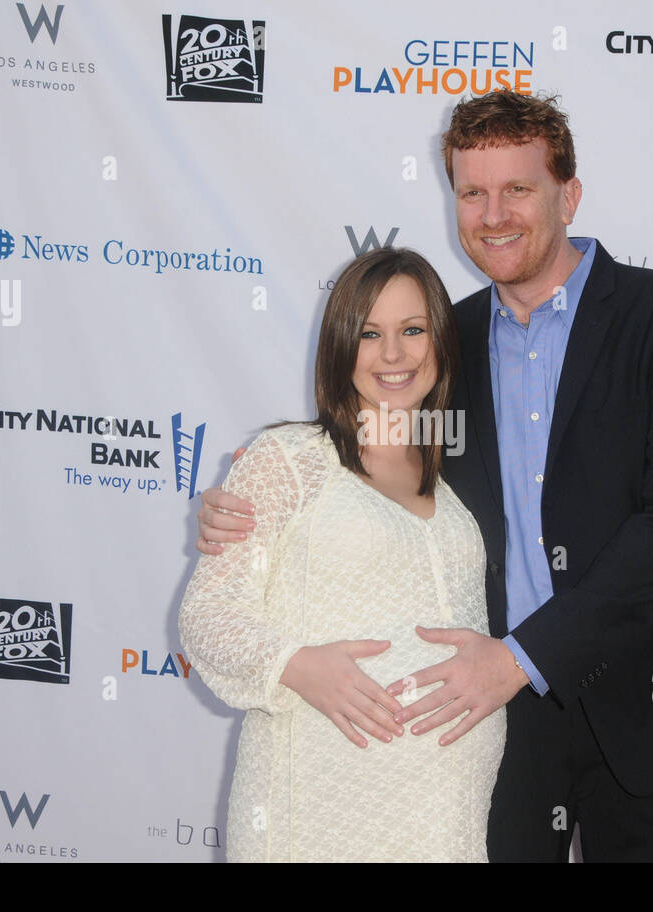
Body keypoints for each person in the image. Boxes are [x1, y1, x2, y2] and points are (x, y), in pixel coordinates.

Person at [198, 91, 653, 862]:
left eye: (518, 189)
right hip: (496, 727)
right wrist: (243, 505)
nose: (494, 214)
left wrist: (519, 658)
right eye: (472, 193)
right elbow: (361, 455)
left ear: (569, 195)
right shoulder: (439, 341)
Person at [178, 247, 503, 862]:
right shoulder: (288, 460)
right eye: (369, 333)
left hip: (445, 822)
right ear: (339, 345)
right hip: (318, 815)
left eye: (413, 330)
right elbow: (209, 613)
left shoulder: (454, 479)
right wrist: (295, 664)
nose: (392, 355)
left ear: (441, 339)